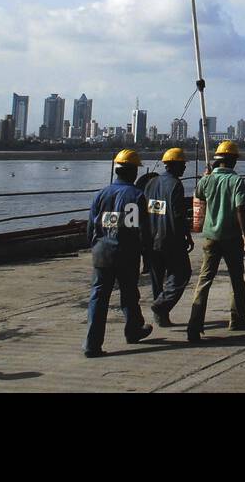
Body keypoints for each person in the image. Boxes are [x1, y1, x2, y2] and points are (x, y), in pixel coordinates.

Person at [83, 148, 153, 357]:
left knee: (98, 297)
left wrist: (96, 247)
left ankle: (91, 345)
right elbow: (144, 231)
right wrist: (147, 256)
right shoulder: (137, 195)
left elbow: (90, 229)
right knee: (129, 294)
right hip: (127, 253)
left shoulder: (100, 195)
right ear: (133, 172)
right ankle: (132, 330)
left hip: (102, 252)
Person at [186, 140, 245, 341]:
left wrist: (207, 178)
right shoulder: (236, 181)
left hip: (210, 237)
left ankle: (194, 325)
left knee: (204, 281)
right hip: (231, 237)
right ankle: (237, 319)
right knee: (237, 280)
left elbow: (198, 195)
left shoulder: (206, 180)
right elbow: (240, 209)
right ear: (232, 160)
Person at [143, 147, 193, 327]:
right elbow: (178, 215)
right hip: (169, 238)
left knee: (157, 279)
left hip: (151, 238)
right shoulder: (175, 185)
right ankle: (161, 305)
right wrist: (186, 236)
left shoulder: (151, 183)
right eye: (182, 165)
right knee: (182, 274)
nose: (185, 168)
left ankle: (161, 315)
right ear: (174, 165)